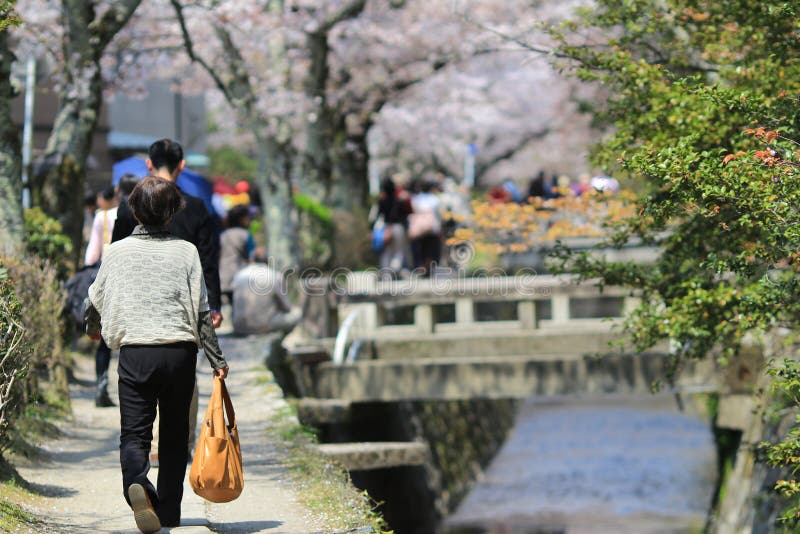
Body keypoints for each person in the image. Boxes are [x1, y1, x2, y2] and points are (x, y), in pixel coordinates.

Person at [86, 176, 228, 532]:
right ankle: (169, 512)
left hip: (136, 354)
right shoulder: (186, 251)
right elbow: (201, 312)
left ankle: (138, 484)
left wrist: (92, 328)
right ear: (171, 214)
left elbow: (94, 300)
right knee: (176, 434)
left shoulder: (116, 251)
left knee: (134, 434)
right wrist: (217, 361)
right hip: (180, 354)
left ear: (133, 211)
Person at [112, 139, 222, 465]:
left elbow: (114, 261)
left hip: (137, 308)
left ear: (148, 164)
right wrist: (212, 306)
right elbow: (208, 262)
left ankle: (140, 459)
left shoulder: (128, 209)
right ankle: (178, 444)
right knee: (184, 378)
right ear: (182, 165)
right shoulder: (198, 208)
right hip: (185, 306)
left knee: (138, 388)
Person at [84, 185, 119, 407]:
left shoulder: (102, 217)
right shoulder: (134, 214)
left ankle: (101, 386)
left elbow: (92, 254)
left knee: (104, 341)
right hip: (127, 277)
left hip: (105, 278)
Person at [375, 177, 412, 277]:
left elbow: (378, 215)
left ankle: (386, 273)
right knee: (398, 251)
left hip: (387, 228)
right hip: (398, 227)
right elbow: (407, 213)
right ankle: (395, 270)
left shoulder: (382, 201)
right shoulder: (399, 201)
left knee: (386, 251)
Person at [219, 204, 255, 306]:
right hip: (241, 279)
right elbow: (251, 259)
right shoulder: (246, 235)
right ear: (242, 219)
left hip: (223, 280)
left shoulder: (222, 235)